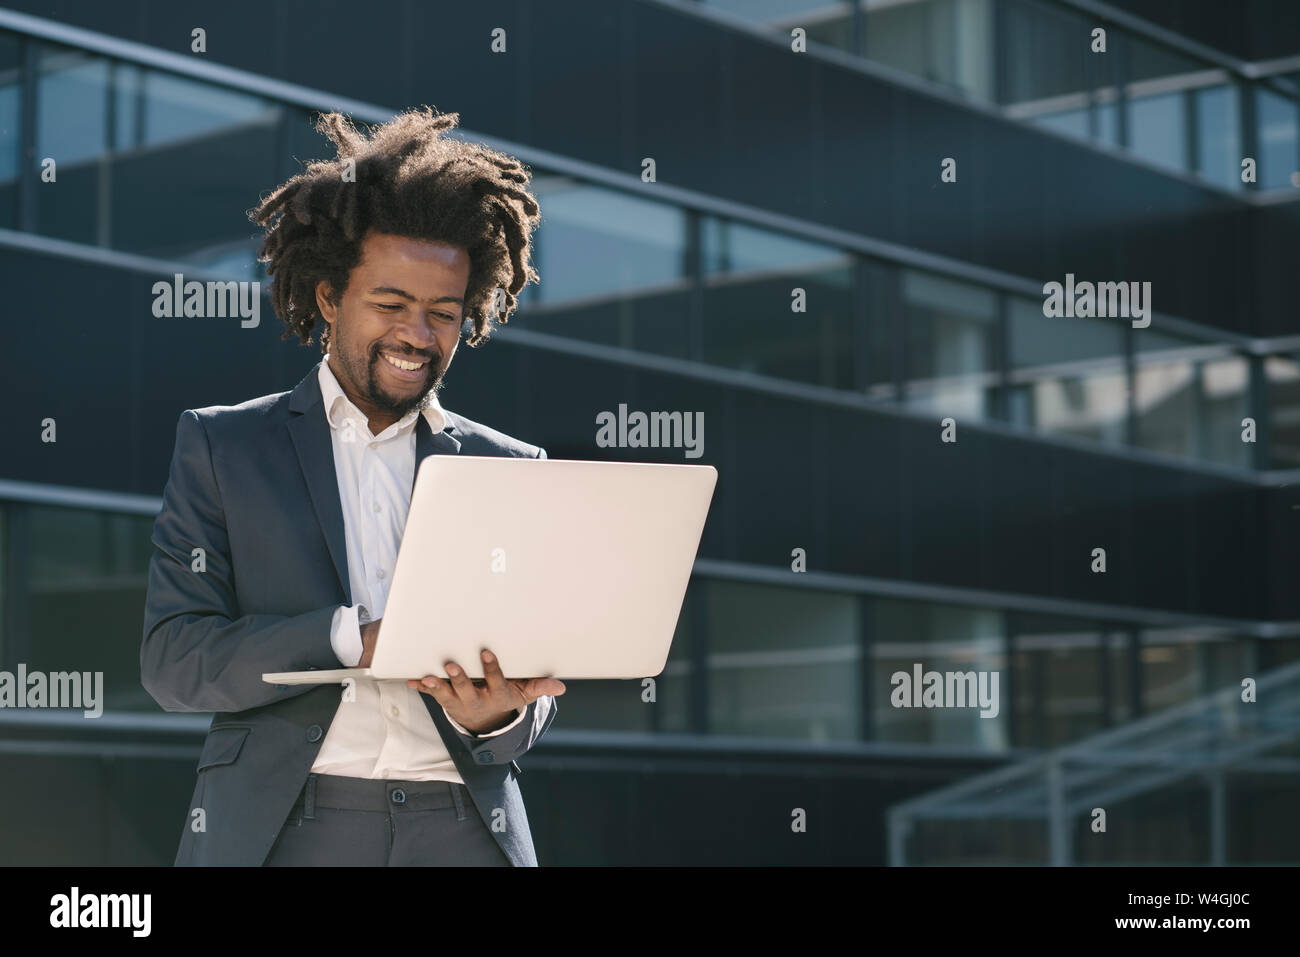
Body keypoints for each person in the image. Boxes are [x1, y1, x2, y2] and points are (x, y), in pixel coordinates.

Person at [141, 106, 564, 866]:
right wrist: (355, 639)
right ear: (330, 298)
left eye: (443, 314)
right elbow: (175, 661)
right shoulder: (224, 446)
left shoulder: (510, 467)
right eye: (390, 305)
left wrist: (496, 717)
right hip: (288, 827)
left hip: (466, 826)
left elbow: (529, 686)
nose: (418, 335)